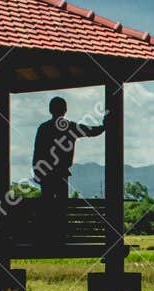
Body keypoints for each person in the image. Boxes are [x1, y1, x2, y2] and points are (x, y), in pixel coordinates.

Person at [32, 97, 104, 231]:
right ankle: (60, 234)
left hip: (46, 174)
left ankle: (45, 233)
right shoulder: (70, 127)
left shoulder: (43, 128)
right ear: (65, 110)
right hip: (61, 174)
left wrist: (37, 172)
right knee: (61, 207)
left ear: (50, 110)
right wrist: (104, 126)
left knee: (47, 205)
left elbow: (37, 152)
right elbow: (92, 131)